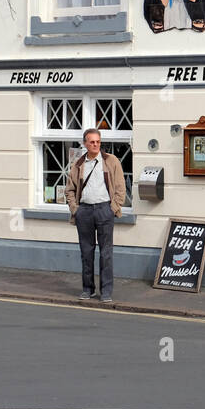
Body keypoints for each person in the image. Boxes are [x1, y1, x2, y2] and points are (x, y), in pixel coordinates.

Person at [65, 128, 126, 302]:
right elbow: (70, 190)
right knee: (86, 252)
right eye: (92, 142)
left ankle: (106, 291)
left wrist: (113, 208)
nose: (95, 145)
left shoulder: (111, 161)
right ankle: (87, 289)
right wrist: (75, 209)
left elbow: (120, 188)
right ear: (85, 143)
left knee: (106, 253)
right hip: (84, 211)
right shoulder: (78, 164)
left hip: (104, 210)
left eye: (98, 141)